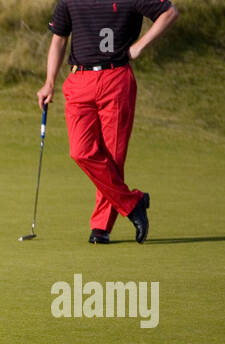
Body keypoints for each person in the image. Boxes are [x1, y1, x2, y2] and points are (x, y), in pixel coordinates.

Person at [37, 0, 180, 243]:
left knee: (113, 158)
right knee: (81, 152)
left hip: (116, 79)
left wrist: (139, 47)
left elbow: (169, 12)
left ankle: (101, 227)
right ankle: (133, 202)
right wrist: (49, 81)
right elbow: (59, 38)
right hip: (79, 80)